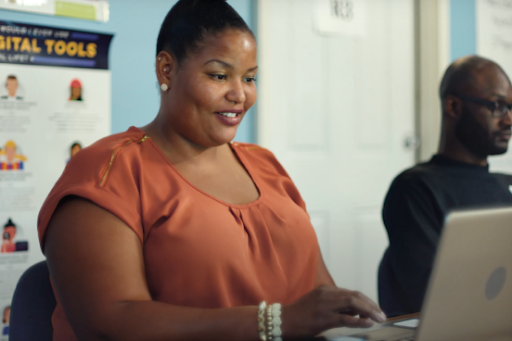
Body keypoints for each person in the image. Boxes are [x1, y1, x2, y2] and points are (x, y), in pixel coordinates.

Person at [38, 1, 386, 341]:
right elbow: (110, 322)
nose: (240, 94)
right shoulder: (109, 171)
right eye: (219, 75)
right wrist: (273, 323)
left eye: (249, 78)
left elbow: (318, 294)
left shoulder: (265, 165)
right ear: (166, 70)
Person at [378, 55, 512, 317]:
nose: (508, 120)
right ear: (453, 106)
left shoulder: (504, 186)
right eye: (497, 106)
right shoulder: (415, 188)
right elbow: (434, 298)